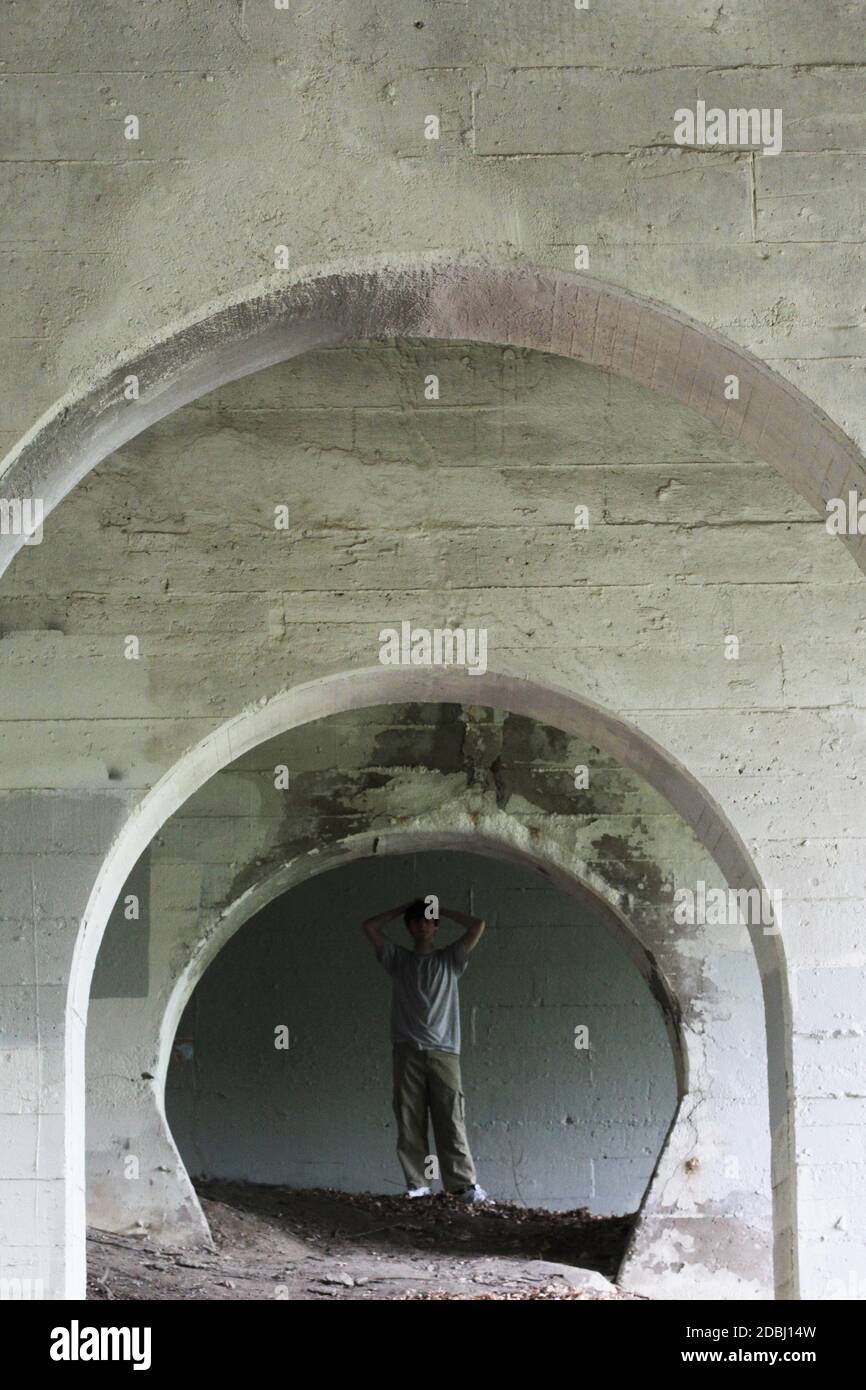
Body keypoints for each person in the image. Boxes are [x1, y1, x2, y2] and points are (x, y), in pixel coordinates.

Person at [362, 897, 490, 1202]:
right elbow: (369, 926)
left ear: (435, 926)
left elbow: (478, 926)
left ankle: (462, 1187)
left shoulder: (450, 959)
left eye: (428, 921)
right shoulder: (398, 960)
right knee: (410, 1119)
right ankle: (417, 1185)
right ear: (409, 927)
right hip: (408, 1051)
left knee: (451, 1118)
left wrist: (439, 908)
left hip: (445, 1051)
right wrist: (403, 907)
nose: (422, 926)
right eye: (416, 921)